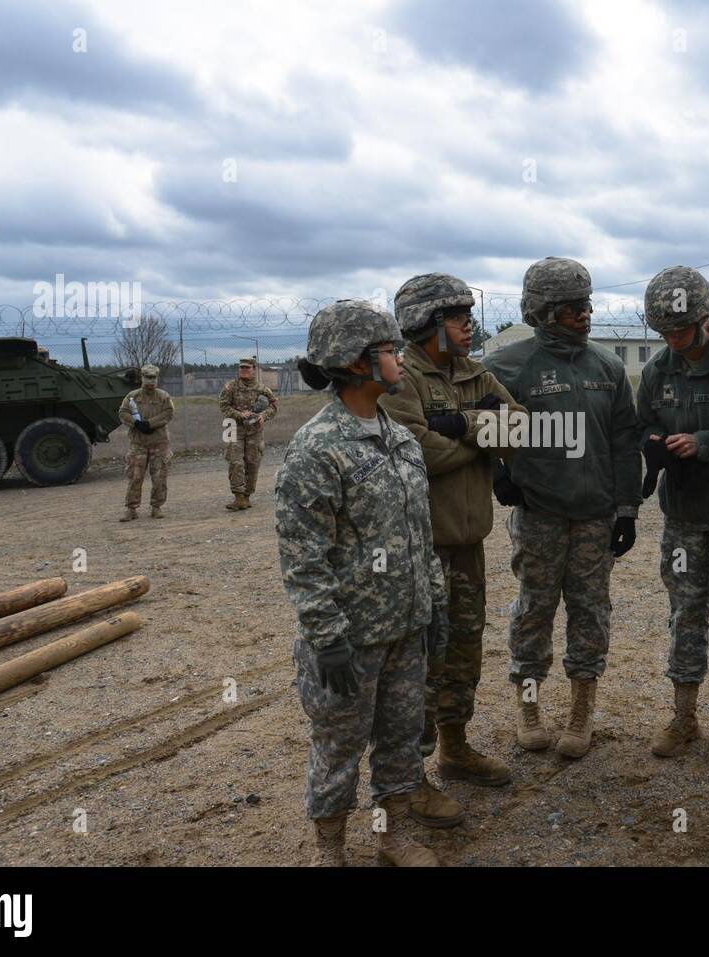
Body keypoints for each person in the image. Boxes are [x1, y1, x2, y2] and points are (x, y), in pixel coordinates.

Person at [275, 299, 449, 867]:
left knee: (402, 738)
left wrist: (434, 605)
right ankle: (331, 849)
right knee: (339, 745)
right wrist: (326, 636)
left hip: (406, 625)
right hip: (351, 638)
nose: (399, 358)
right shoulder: (316, 448)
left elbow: (419, 535)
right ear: (354, 364)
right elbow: (304, 557)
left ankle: (392, 835)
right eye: (387, 350)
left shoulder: (398, 437)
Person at [485, 257, 642, 759]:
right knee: (534, 609)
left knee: (591, 610)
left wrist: (627, 509)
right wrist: (501, 478)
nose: (585, 314)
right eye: (573, 307)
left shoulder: (607, 367)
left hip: (595, 515)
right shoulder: (507, 367)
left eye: (587, 304)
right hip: (539, 515)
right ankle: (529, 706)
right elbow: (484, 432)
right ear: (543, 311)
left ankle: (581, 711)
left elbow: (623, 441)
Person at [381, 274, 526, 811]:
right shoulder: (400, 378)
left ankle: (454, 747)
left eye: (469, 314)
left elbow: (524, 431)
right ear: (428, 324)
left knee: (464, 649)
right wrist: (483, 438)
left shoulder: (474, 371)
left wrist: (460, 423)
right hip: (421, 548)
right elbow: (417, 452)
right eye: (458, 316)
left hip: (467, 545)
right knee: (420, 662)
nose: (470, 323)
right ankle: (407, 776)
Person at [636, 266, 709, 763]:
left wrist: (703, 444)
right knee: (684, 616)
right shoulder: (658, 371)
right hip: (682, 519)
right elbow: (641, 427)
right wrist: (653, 447)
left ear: (706, 318)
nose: (674, 340)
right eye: (665, 333)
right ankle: (684, 716)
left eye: (681, 330)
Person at [219, 356, 278, 511]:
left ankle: (247, 497)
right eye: (241, 368)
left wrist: (262, 416)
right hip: (232, 427)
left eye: (247, 368)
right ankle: (238, 497)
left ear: (253, 370)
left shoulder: (262, 389)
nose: (244, 370)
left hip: (254, 431)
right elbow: (224, 406)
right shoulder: (230, 387)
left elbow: (273, 406)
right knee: (235, 461)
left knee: (252, 462)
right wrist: (240, 415)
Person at [118, 363, 175, 521]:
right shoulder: (132, 396)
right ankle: (131, 509)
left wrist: (150, 424)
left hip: (159, 443)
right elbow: (123, 413)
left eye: (153, 377)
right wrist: (136, 424)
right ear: (142, 378)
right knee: (135, 477)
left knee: (159, 478)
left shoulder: (163, 396)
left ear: (157, 378)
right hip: (139, 444)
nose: (150, 381)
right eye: (147, 377)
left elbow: (169, 413)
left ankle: (156, 507)